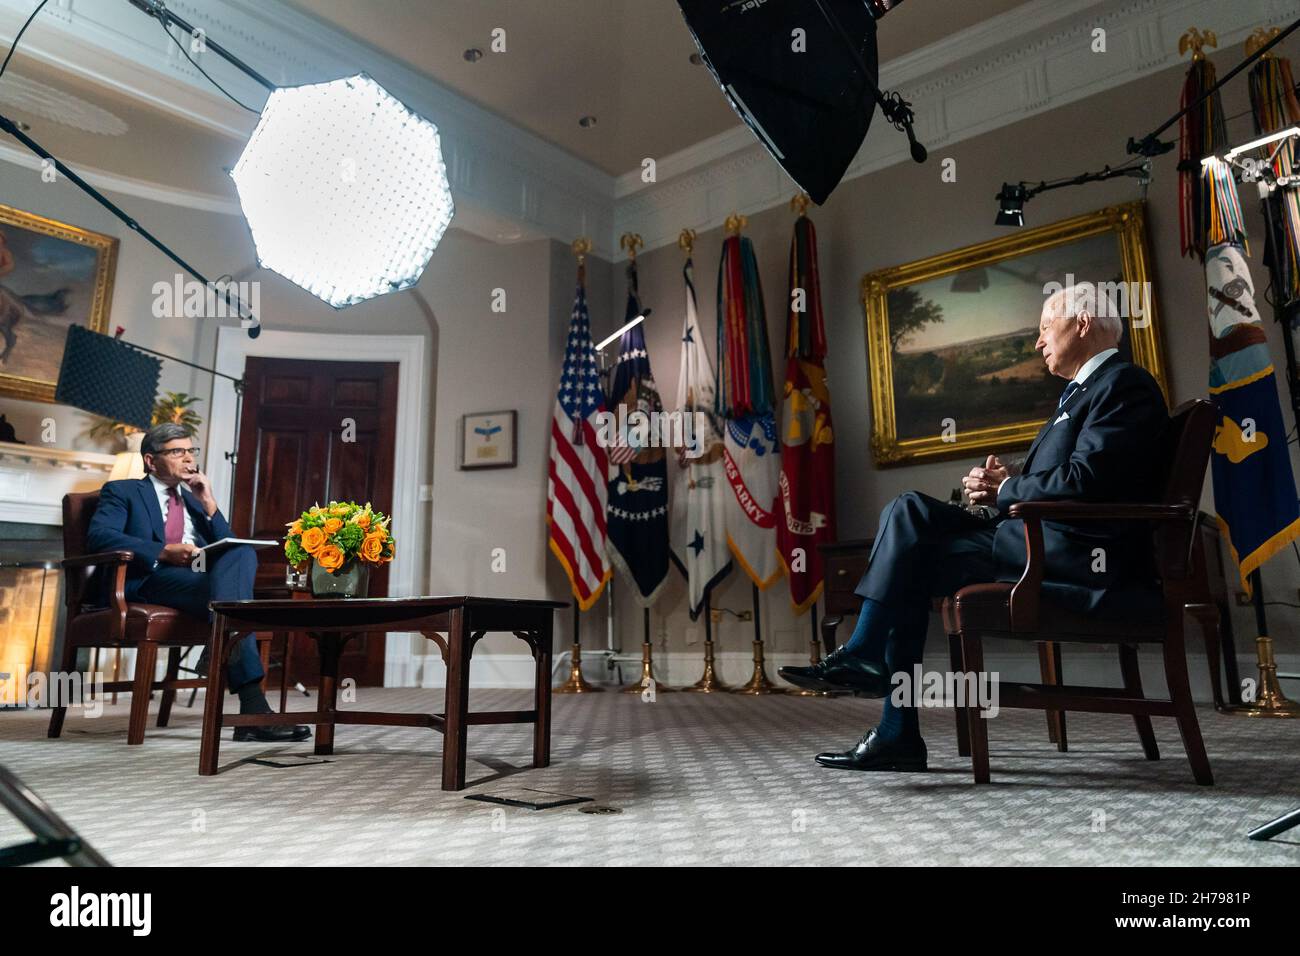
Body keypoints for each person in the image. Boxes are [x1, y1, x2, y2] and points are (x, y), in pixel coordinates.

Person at [781, 281, 1169, 771]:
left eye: (1046, 327)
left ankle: (887, 708)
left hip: (1077, 554)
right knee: (907, 511)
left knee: (910, 559)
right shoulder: (1084, 392)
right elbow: (1073, 477)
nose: (1038, 341)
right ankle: (873, 678)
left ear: (1083, 324)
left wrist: (1008, 491)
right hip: (1037, 539)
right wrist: (1005, 484)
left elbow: (1087, 480)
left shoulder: (1123, 384)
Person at [87, 422, 310, 742]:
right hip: (148, 580)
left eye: (191, 450)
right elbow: (100, 536)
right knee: (231, 598)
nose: (188, 458)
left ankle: (225, 645)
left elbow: (229, 547)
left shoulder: (193, 500)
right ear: (151, 460)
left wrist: (209, 503)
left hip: (198, 584)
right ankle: (251, 707)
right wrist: (162, 552)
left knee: (242, 555)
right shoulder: (123, 491)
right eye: (178, 451)